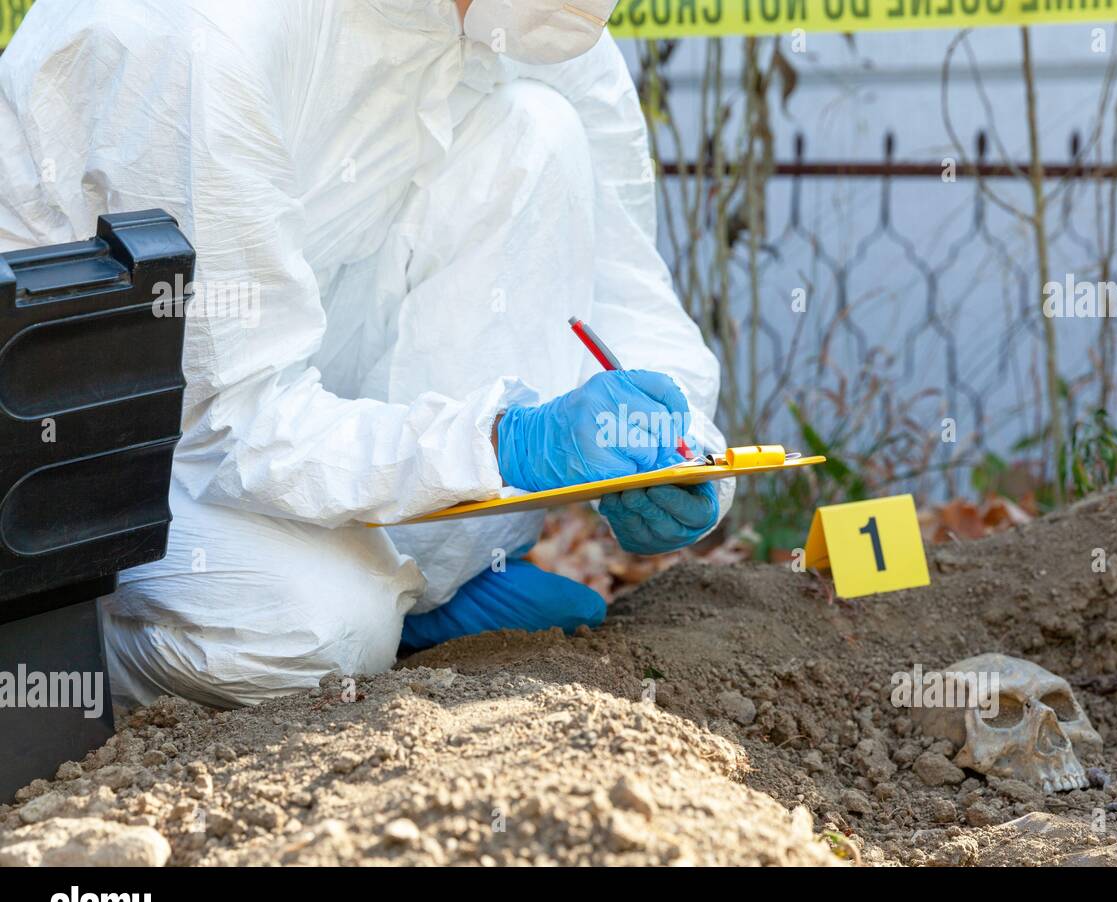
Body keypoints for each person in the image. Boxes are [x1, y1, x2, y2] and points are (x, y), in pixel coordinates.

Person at [0, 0, 733, 708]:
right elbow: (235, 417)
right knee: (313, 632)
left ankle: (420, 579)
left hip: (278, 387)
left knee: (540, 128)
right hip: (85, 440)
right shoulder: (204, 31)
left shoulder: (536, 21)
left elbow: (626, 289)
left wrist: (682, 447)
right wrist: (503, 443)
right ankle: (44, 660)